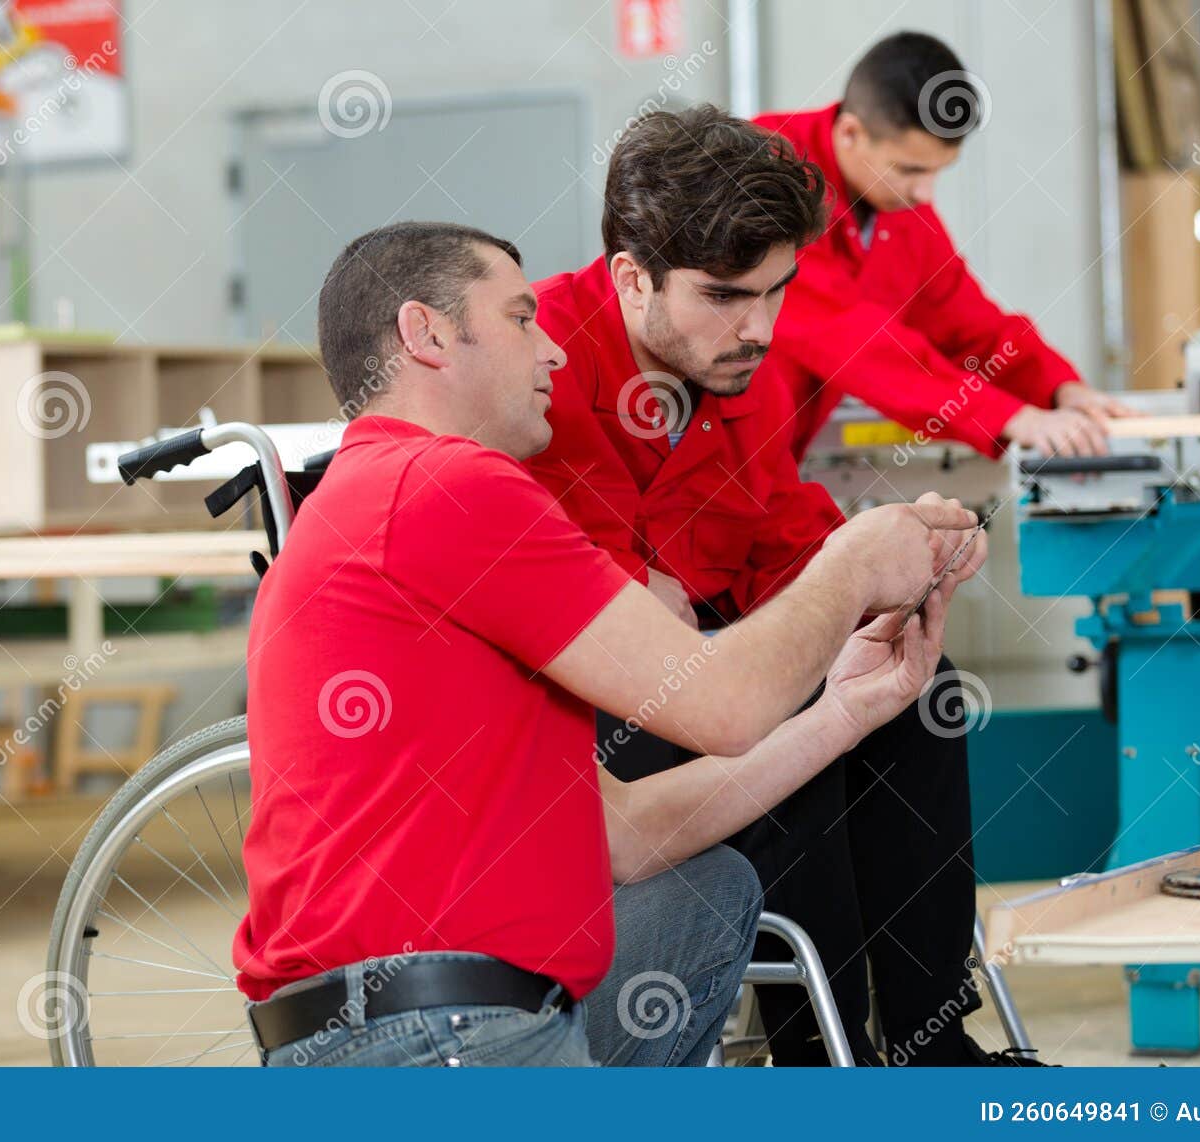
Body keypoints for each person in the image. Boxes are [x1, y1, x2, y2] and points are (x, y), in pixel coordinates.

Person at [234, 220, 984, 1067]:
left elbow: (625, 834)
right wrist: (847, 567)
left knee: (711, 890)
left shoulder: (378, 494)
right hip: (432, 1034)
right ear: (426, 334)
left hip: (398, 1026)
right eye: (522, 320)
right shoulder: (446, 484)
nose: (551, 351)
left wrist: (845, 710)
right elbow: (724, 703)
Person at [527, 104, 1040, 1065]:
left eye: (777, 291)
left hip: (717, 653)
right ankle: (822, 1062)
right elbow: (564, 582)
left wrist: (890, 575)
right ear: (632, 278)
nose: (761, 329)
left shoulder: (734, 366)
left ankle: (933, 1046)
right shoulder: (541, 362)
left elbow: (775, 527)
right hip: (582, 701)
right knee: (792, 732)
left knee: (917, 693)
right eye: (727, 295)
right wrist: (653, 590)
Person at [756, 30, 1135, 463]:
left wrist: (1058, 388)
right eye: (910, 169)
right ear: (850, 132)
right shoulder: (765, 173)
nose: (924, 193)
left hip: (776, 467)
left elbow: (969, 325)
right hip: (705, 461)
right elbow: (848, 335)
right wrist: (1010, 417)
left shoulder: (899, 208)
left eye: (939, 171)